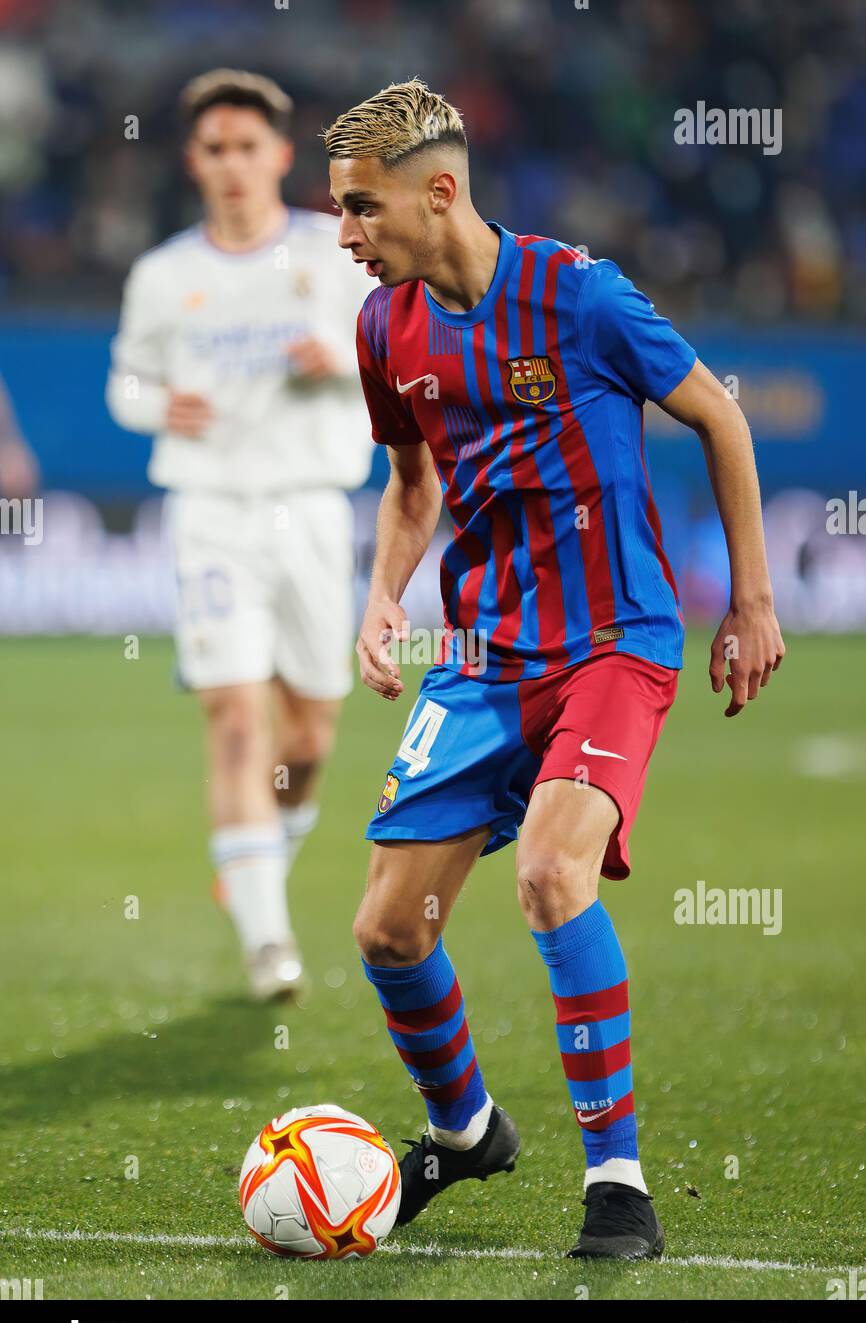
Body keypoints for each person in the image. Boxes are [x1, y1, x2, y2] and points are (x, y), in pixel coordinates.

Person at [324, 79, 785, 1258]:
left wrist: (750, 599)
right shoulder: (385, 329)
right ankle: (466, 1126)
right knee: (388, 931)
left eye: (360, 210)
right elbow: (412, 483)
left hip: (610, 644)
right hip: (480, 660)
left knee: (547, 873)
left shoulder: (578, 296)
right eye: (338, 212)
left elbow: (719, 421)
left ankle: (618, 1184)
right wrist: (383, 598)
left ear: (439, 193)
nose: (343, 237)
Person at [108, 70, 371, 1002]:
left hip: (312, 507)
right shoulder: (164, 275)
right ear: (194, 160)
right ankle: (269, 942)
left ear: (280, 156)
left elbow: (390, 353)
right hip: (211, 511)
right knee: (233, 719)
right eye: (214, 148)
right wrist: (154, 409)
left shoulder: (336, 256)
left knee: (308, 738)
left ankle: (256, 864)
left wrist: (339, 360)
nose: (231, 164)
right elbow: (125, 383)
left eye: (247, 147)